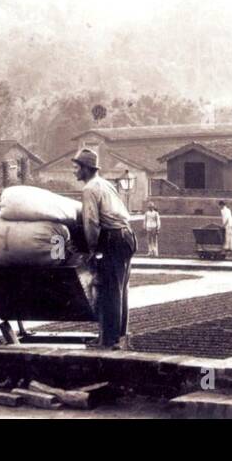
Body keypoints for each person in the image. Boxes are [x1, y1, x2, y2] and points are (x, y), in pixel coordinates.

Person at [74, 148, 137, 349]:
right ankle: (118, 336)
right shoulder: (105, 184)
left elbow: (91, 222)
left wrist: (92, 249)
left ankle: (108, 340)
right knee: (120, 288)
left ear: (86, 169)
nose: (74, 172)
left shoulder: (90, 189)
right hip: (127, 236)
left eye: (77, 168)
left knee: (110, 289)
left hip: (114, 238)